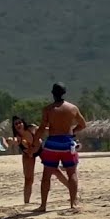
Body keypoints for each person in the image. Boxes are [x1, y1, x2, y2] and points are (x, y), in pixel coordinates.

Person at [34, 82, 88, 212]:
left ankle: (43, 205)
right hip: (67, 142)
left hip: (53, 143)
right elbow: (83, 124)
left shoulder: (48, 109)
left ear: (52, 94)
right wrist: (73, 131)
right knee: (72, 172)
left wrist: (35, 141)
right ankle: (73, 203)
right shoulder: (72, 108)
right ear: (64, 93)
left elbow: (42, 128)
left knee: (47, 174)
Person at [9, 116, 44, 205]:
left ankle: (71, 188)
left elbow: (43, 129)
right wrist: (9, 141)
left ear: (23, 122)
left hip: (40, 149)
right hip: (28, 155)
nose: (18, 125)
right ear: (14, 127)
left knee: (55, 170)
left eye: (19, 122)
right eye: (16, 124)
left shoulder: (31, 128)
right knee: (28, 179)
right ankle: (26, 202)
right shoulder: (18, 137)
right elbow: (15, 141)